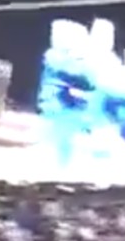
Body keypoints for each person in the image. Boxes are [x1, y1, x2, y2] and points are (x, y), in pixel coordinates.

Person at [36, 19, 94, 170]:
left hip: (64, 110)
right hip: (57, 109)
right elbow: (79, 74)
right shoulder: (55, 58)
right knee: (60, 149)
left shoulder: (63, 59)